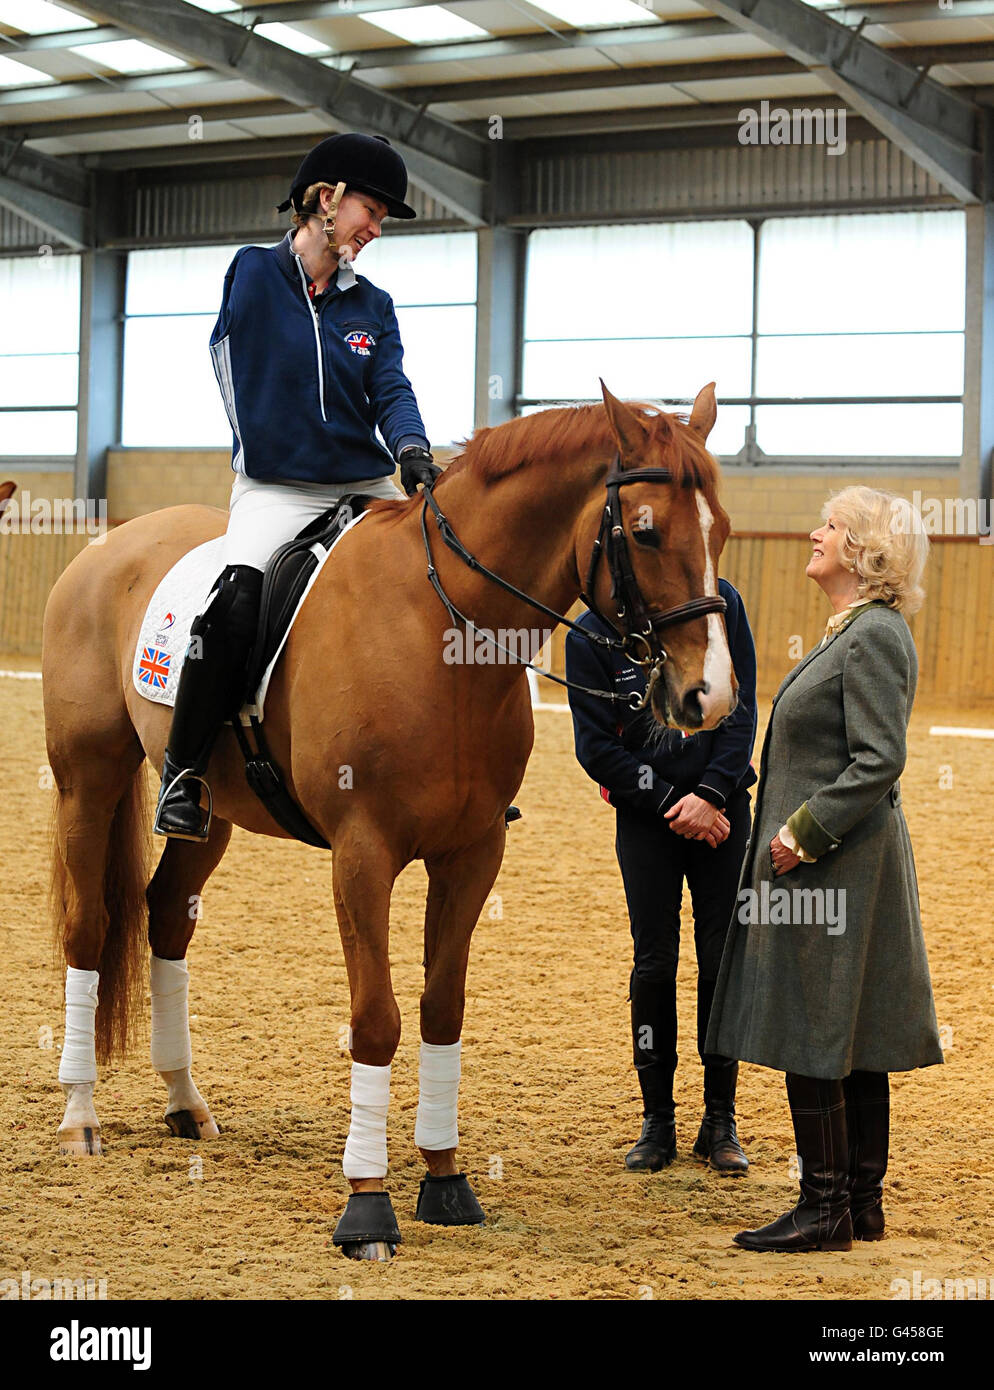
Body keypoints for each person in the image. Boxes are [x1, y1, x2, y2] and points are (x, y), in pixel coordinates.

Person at [154, 132, 440, 841]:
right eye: (369, 212)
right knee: (235, 600)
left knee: (438, 580)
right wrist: (309, 274)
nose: (375, 231)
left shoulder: (373, 305)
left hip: (365, 479)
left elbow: (390, 387)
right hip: (277, 488)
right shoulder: (253, 274)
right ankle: (184, 772)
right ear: (326, 199)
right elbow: (237, 360)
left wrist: (411, 448)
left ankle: (452, 764)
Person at [705, 486, 942, 1252]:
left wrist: (801, 833)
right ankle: (858, 1203)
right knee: (849, 1033)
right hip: (840, 868)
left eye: (830, 526)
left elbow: (880, 760)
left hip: (831, 868)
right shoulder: (856, 631)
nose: (815, 532)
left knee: (816, 1028)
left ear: (864, 549)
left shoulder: (872, 636)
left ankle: (824, 1208)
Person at [565, 577, 757, 1174]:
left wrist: (711, 793)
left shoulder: (719, 601)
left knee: (721, 959)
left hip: (721, 810)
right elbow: (596, 748)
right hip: (650, 819)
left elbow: (741, 707)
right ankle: (657, 1118)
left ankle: (719, 1118)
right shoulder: (591, 631)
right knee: (654, 963)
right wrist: (675, 799)